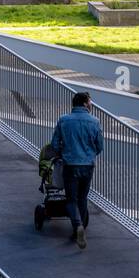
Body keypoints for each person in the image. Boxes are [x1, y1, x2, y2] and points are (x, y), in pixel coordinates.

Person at [51, 91, 103, 249]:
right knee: (82, 198)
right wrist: (88, 154)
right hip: (87, 166)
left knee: (71, 199)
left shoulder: (64, 120)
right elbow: (99, 146)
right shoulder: (94, 121)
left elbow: (54, 144)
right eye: (90, 101)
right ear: (86, 103)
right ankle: (78, 229)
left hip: (70, 165)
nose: (91, 104)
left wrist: (64, 152)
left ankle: (77, 226)